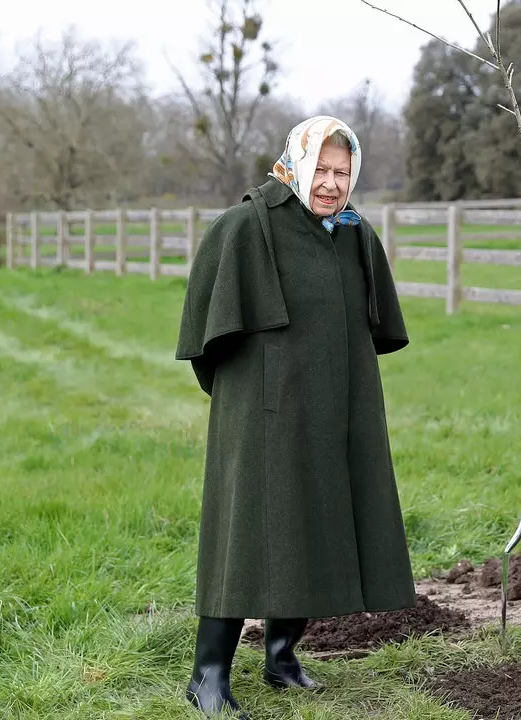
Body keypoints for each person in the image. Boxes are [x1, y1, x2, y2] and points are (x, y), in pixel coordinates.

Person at [174, 116, 415, 717]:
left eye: (343, 172)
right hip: (262, 411)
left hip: (337, 405)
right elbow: (208, 340)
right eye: (323, 170)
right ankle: (208, 676)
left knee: (317, 519)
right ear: (298, 163)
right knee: (245, 532)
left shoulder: (354, 235)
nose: (332, 184)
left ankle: (282, 656)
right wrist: (249, 399)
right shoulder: (245, 227)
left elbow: (374, 324)